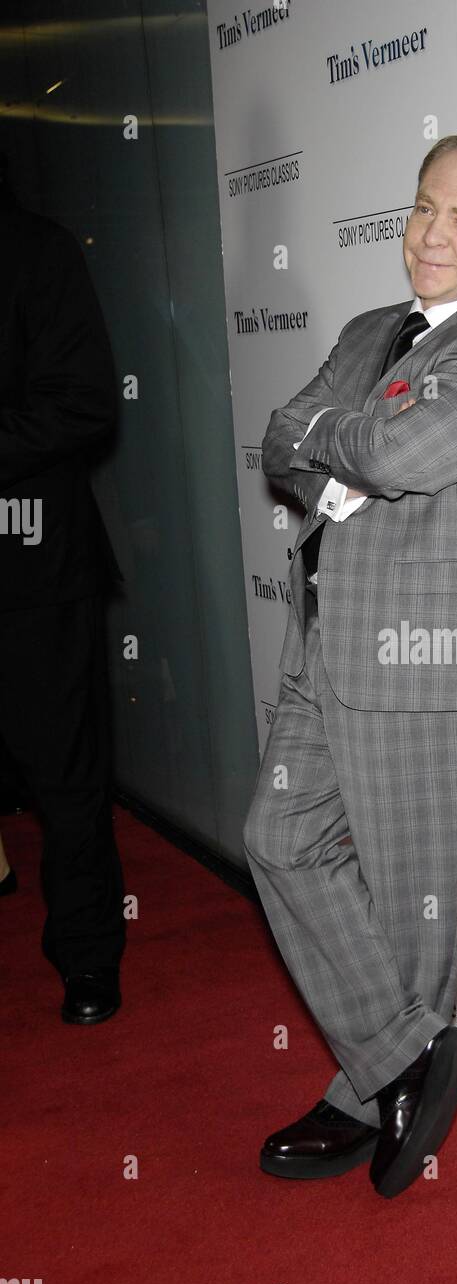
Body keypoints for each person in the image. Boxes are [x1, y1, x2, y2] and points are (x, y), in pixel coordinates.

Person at [244, 130, 457, 1198]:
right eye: (423, 207)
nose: (431, 234)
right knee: (276, 838)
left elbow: (389, 453)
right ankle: (402, 1059)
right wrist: (340, 431)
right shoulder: (374, 330)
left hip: (423, 654)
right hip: (323, 637)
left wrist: (340, 430)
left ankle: (366, 1092)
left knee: (407, 896)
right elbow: (284, 439)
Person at [0, 151, 126, 1022]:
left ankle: (86, 957)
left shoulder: (37, 253)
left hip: (31, 562)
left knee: (65, 772)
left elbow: (85, 404)